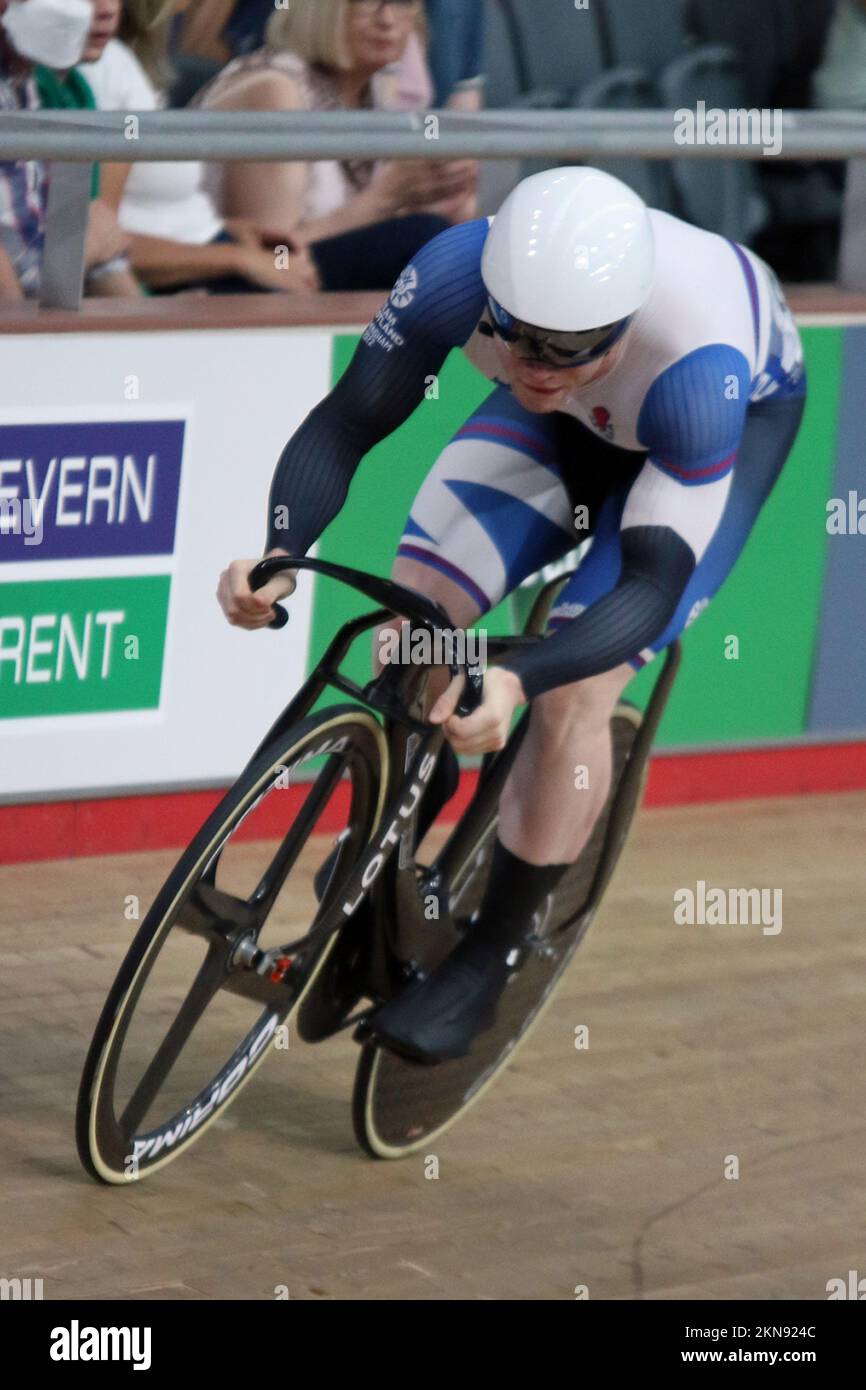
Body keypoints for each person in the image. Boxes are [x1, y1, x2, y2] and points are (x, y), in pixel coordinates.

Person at [217, 167, 807, 1064]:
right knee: (415, 626)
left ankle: (492, 955)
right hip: (572, 422)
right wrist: (278, 551)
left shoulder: (700, 368)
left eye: (566, 347)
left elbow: (645, 590)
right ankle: (401, 835)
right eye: (518, 338)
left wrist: (519, 673)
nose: (535, 364)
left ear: (618, 322)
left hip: (713, 424)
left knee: (576, 692)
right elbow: (347, 423)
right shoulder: (459, 271)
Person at [193, 0, 478, 291]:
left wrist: (440, 197)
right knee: (423, 238)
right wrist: (385, 200)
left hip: (312, 283)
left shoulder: (375, 92)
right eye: (368, 3)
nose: (388, 20)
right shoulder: (274, 90)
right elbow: (275, 258)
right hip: (238, 292)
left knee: (464, 242)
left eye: (402, 2)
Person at [80, 0, 318, 294]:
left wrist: (226, 229)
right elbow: (101, 245)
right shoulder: (98, 69)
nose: (105, 8)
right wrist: (240, 259)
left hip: (213, 248)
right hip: (187, 274)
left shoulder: (122, 61)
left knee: (298, 265)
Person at [0, 0, 135, 299]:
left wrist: (156, 336)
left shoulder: (32, 82)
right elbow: (12, 320)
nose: (105, 9)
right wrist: (81, 248)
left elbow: (104, 245)